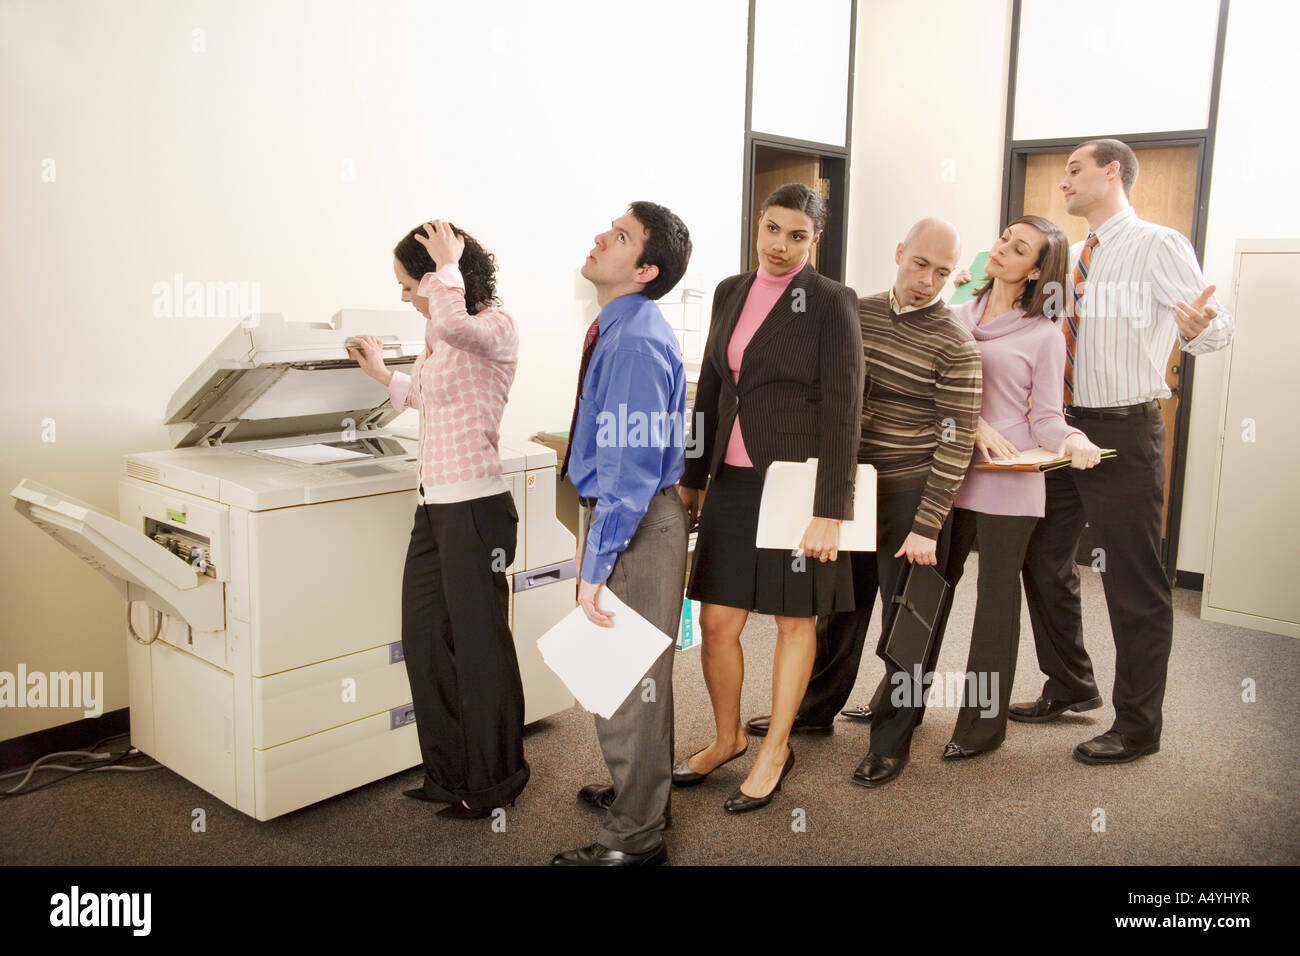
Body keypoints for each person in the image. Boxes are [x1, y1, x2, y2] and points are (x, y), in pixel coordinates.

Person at [1013, 139, 1234, 765]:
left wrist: (1200, 330)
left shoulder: (1158, 244)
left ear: (1113, 172)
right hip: (1058, 430)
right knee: (1040, 558)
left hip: (1122, 431)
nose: (1064, 181)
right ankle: (1071, 683)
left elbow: (1217, 324)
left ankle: (1138, 725)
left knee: (1132, 582)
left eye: (1074, 169)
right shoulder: (1074, 255)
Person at [748, 218, 981, 788]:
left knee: (907, 625)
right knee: (838, 610)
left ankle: (892, 741)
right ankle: (814, 710)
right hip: (846, 489)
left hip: (909, 495)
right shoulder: (854, 312)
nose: (929, 281)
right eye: (921, 264)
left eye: (944, 273)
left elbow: (956, 443)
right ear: (900, 252)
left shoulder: (955, 343)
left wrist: (928, 526)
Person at [676, 183, 864, 814]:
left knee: (793, 621)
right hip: (730, 479)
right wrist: (694, 473)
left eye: (796, 236)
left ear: (816, 240)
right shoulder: (731, 290)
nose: (780, 247)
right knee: (717, 622)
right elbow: (711, 387)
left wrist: (831, 510)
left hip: (796, 485)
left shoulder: (833, 302)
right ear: (758, 225)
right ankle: (729, 737)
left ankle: (775, 747)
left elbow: (844, 409)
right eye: (772, 229)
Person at [347, 220, 526, 819]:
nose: (404, 297)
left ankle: (497, 778)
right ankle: (449, 774)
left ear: (433, 276)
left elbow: (454, 323)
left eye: (406, 285)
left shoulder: (492, 324)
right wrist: (382, 376)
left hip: (475, 507)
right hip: (435, 507)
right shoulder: (440, 332)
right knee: (424, 638)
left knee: (480, 647)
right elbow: (436, 396)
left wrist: (445, 266)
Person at [551, 201, 692, 866]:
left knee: (625, 677)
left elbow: (631, 471)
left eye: (621, 237)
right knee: (630, 673)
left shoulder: (632, 339)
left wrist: (597, 558)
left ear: (644, 269)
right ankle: (640, 796)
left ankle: (635, 836)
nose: (601, 238)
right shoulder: (620, 325)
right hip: (622, 512)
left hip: (634, 518)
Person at [939, 215, 1102, 759]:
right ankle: (897, 702)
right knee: (925, 593)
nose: (1003, 248)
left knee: (995, 601)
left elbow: (1048, 419)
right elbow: (930, 390)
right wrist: (970, 422)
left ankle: (981, 728)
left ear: (1037, 271)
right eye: (1005, 238)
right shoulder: (956, 313)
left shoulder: (1043, 335)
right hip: (947, 470)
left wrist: (1073, 438)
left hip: (1008, 479)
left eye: (1020, 247)